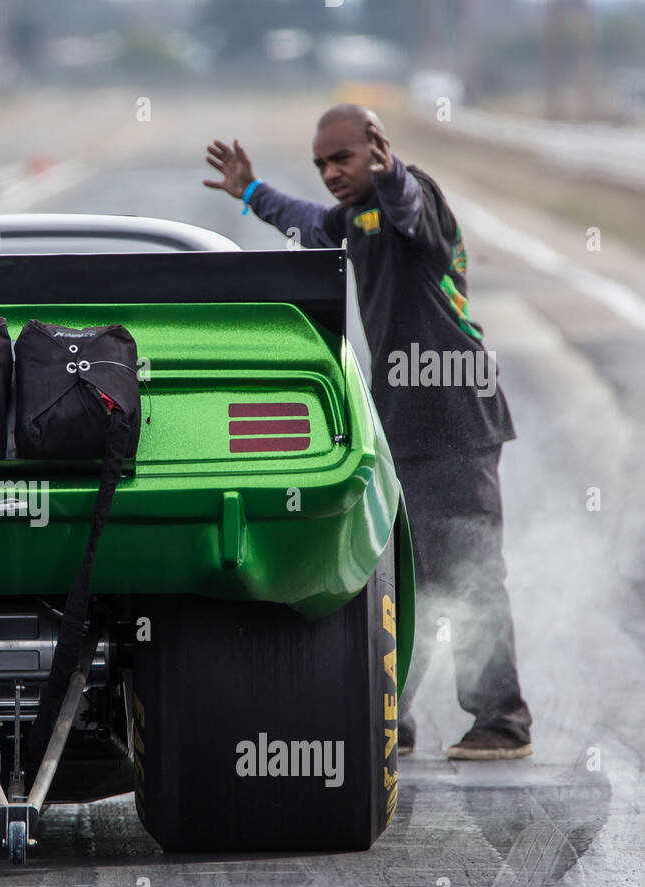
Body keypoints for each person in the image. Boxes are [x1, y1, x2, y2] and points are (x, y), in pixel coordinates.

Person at [203, 104, 532, 761]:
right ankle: (392, 714)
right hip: (405, 425)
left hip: (457, 416)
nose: (330, 172)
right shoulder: (355, 217)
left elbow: (409, 209)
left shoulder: (414, 198)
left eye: (342, 158)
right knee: (408, 576)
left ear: (375, 148)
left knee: (468, 572)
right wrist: (250, 191)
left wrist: (392, 173)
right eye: (321, 163)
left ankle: (503, 721)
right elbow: (306, 223)